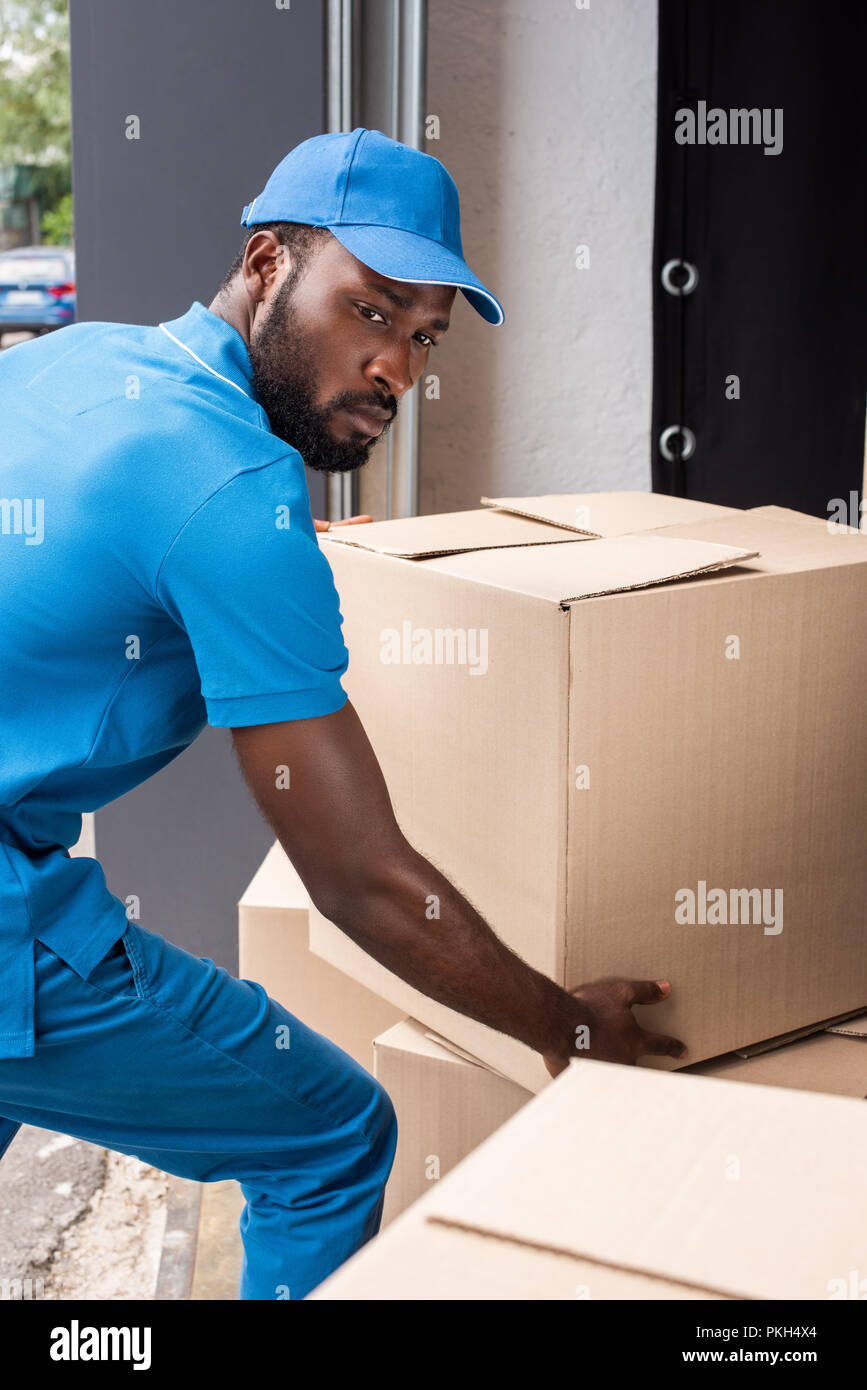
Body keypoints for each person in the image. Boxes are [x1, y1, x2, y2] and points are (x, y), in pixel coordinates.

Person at [0, 128, 685, 1301]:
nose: (396, 369)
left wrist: (272, 560)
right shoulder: (231, 493)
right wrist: (566, 1026)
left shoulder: (74, 359)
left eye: (424, 337)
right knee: (327, 1136)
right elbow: (358, 875)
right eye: (369, 310)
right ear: (268, 263)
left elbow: (110, 530)